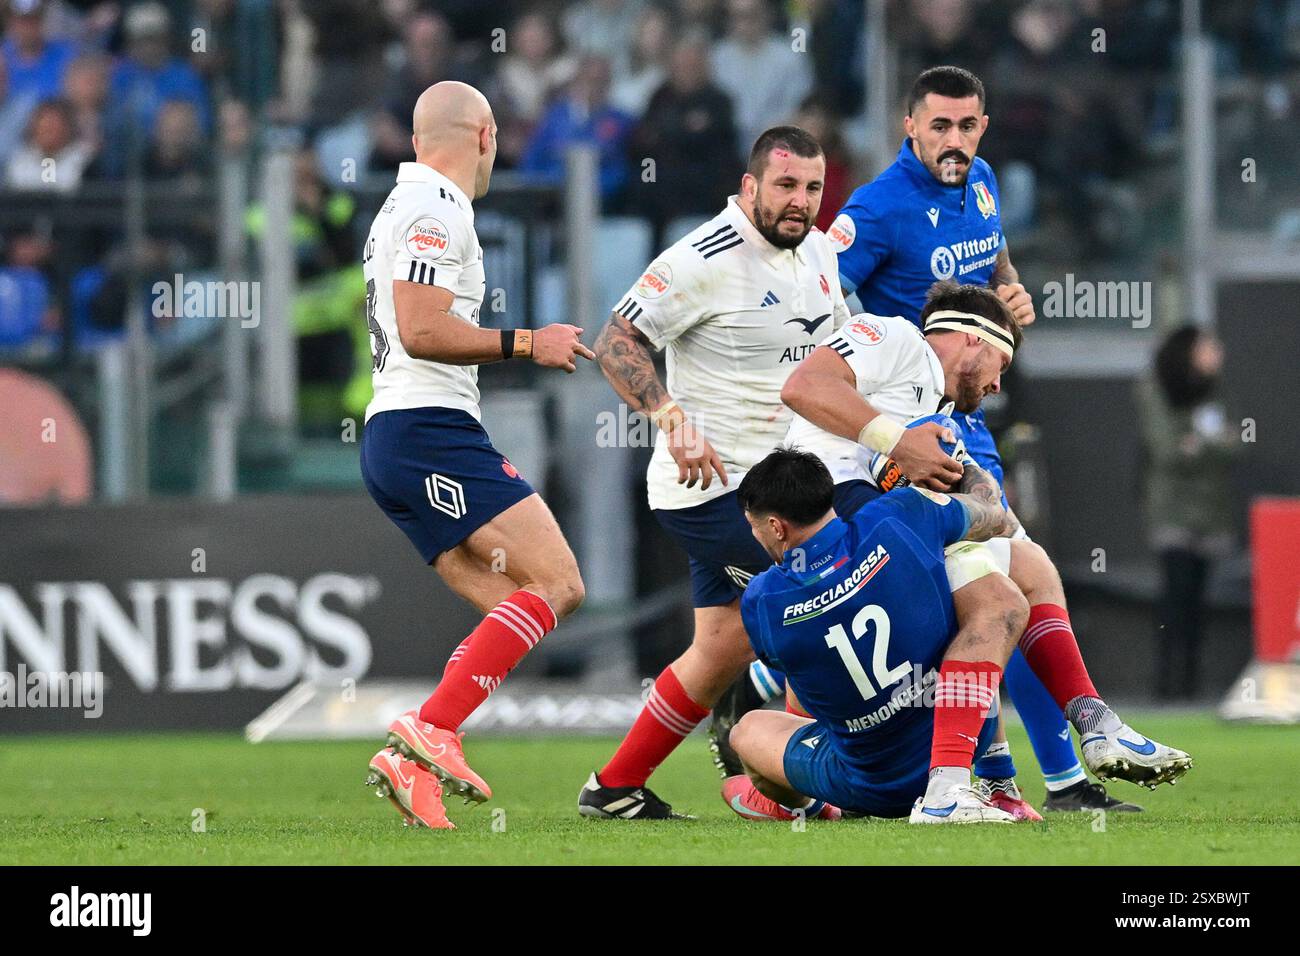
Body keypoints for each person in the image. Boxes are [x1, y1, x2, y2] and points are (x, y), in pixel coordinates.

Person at [818, 64, 1131, 813]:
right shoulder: (878, 208)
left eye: (966, 127)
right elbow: (819, 298)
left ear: (982, 127)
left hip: (969, 409)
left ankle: (1037, 776)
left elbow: (993, 258)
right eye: (938, 127)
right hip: (915, 427)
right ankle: (1016, 772)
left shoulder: (982, 180)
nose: (953, 142)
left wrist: (1008, 292)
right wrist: (871, 407)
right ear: (909, 126)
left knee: (1012, 588)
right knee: (1000, 592)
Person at [577, 125, 851, 819]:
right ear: (750, 186)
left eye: (812, 189)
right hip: (713, 490)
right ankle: (799, 786)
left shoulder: (818, 250)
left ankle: (613, 788)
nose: (800, 202)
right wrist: (671, 419)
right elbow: (615, 339)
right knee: (825, 601)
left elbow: (837, 356)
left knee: (721, 648)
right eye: (786, 186)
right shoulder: (705, 255)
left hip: (782, 488)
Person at [359, 81, 595, 829]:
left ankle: (417, 753)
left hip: (395, 435)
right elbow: (423, 329)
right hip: (428, 428)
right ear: (485, 136)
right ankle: (430, 728)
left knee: (512, 604)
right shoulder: (436, 206)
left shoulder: (401, 206)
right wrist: (528, 341)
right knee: (558, 581)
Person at [730, 448, 1193, 821]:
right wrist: (961, 461)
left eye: (754, 530)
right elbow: (995, 517)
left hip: (859, 777)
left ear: (776, 526)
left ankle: (816, 809)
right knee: (997, 582)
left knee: (748, 731)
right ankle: (1016, 766)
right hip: (949, 735)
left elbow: (799, 683)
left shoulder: (763, 601)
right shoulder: (896, 517)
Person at [1137, 326, 1236, 700]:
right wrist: (1203, 444)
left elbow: (1234, 444)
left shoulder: (1217, 390)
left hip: (1210, 513)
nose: (1217, 351)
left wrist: (1201, 445)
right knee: (1174, 598)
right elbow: (1167, 450)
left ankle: (1191, 687)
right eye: (1209, 345)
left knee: (1198, 602)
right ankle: (1166, 687)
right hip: (1172, 511)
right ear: (1190, 351)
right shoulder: (1156, 385)